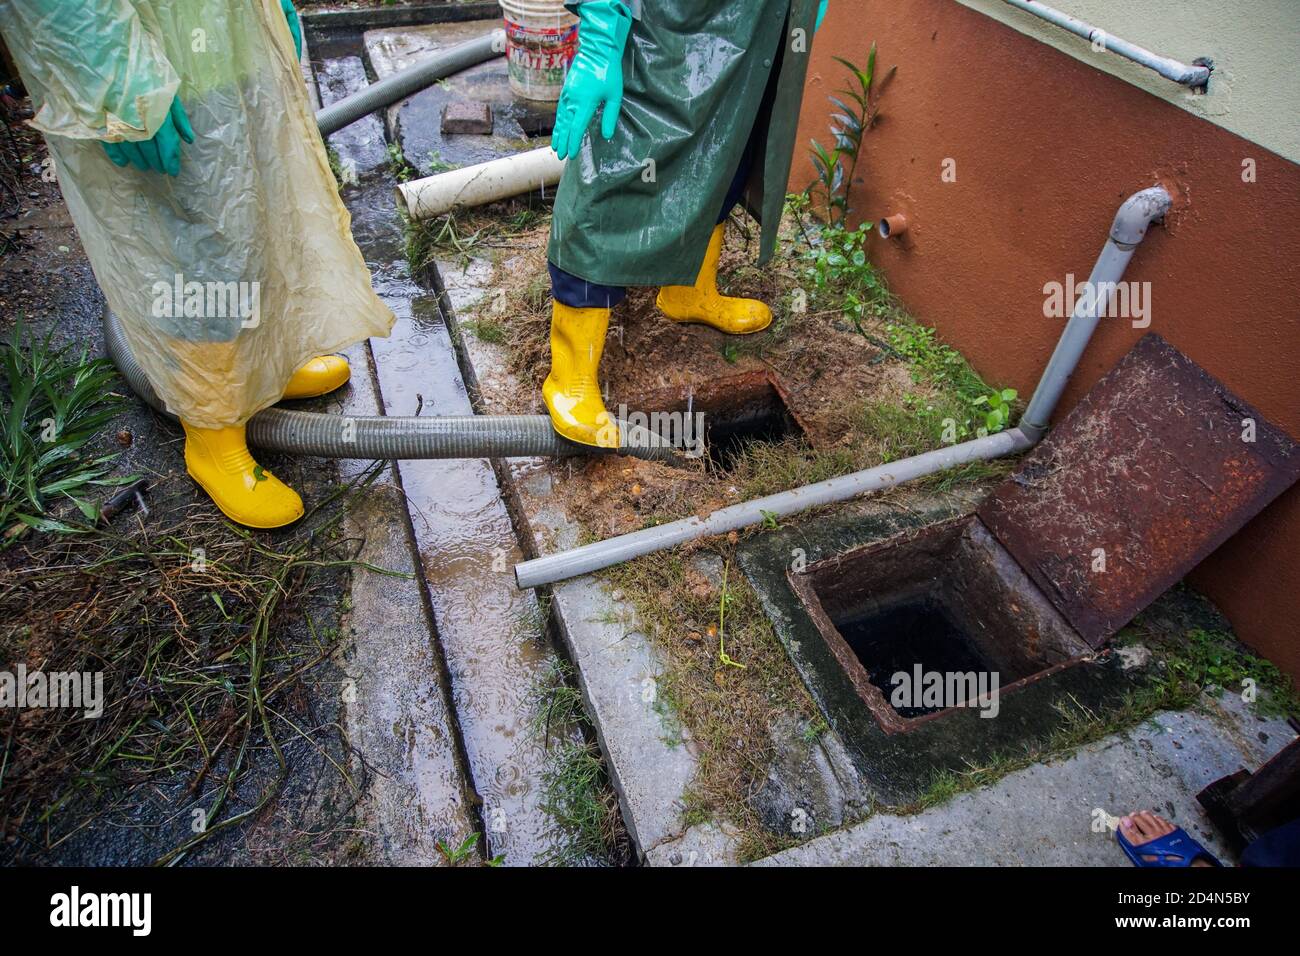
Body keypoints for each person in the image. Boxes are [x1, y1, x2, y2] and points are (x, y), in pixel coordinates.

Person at [0, 0, 394, 527]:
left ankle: (261, 367)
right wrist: (114, 74)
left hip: (220, 38)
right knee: (191, 246)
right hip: (141, 58)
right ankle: (213, 434)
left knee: (252, 216)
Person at [542, 0, 828, 448]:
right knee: (614, 174)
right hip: (668, 21)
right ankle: (571, 378)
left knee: (727, 153)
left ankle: (690, 290)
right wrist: (599, 37)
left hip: (762, 22)